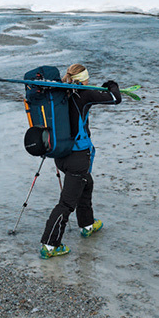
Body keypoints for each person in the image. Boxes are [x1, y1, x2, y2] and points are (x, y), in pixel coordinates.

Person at [40, 63, 122, 259]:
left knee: (86, 184)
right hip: (77, 157)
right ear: (84, 79)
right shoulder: (84, 94)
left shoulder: (60, 92)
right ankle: (50, 245)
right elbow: (115, 98)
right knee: (67, 203)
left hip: (60, 154)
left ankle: (87, 224)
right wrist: (111, 84)